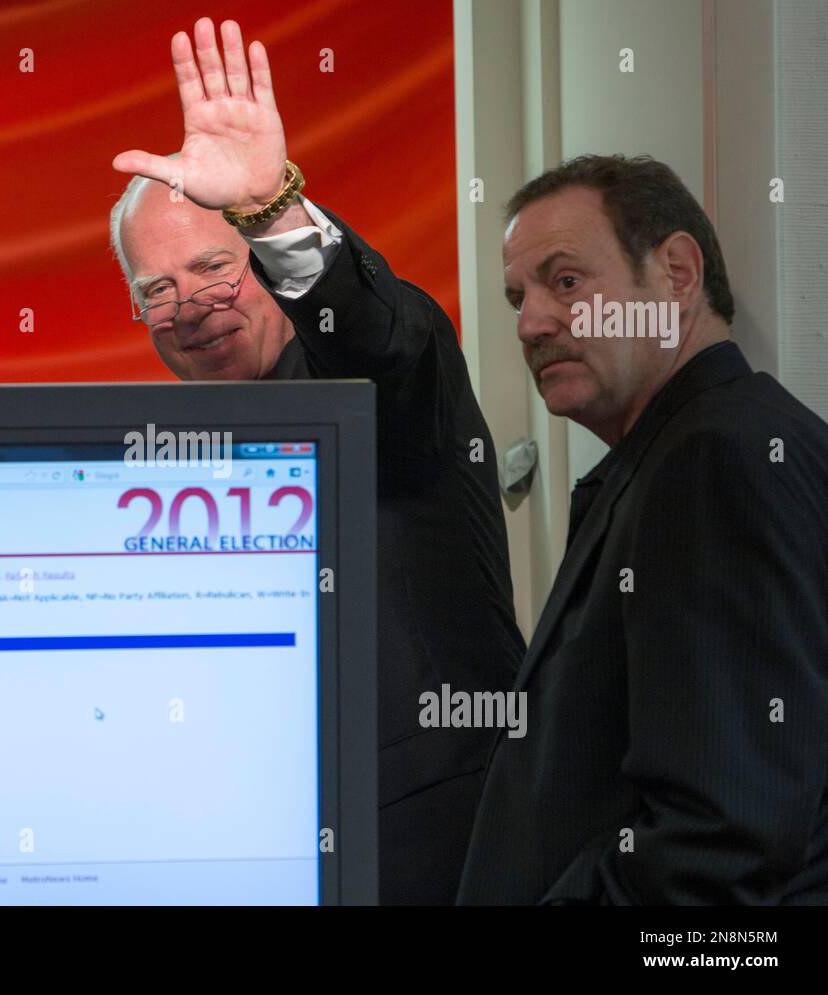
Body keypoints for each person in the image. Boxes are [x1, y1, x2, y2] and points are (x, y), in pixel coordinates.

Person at [112, 17, 525, 904]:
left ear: (263, 263)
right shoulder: (165, 469)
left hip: (440, 854)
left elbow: (385, 340)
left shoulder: (380, 382)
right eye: (159, 289)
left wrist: (271, 211)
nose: (193, 305)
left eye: (218, 267)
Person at [457, 154, 828, 904]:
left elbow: (722, 840)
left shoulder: (715, 459)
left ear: (677, 274)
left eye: (565, 281)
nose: (530, 323)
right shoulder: (695, 449)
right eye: (517, 297)